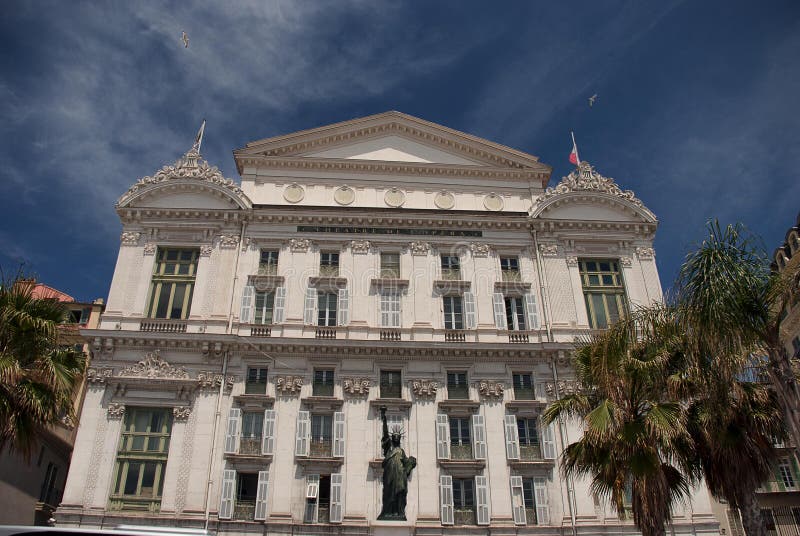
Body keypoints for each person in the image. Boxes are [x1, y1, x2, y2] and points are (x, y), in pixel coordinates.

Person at [377, 406, 416, 520]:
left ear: (399, 439)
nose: (395, 438)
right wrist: (384, 418)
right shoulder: (388, 449)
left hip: (399, 475)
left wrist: (411, 461)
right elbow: (385, 434)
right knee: (388, 494)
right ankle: (388, 512)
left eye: (397, 437)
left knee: (400, 494)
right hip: (389, 476)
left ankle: (399, 513)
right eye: (394, 436)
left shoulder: (401, 451)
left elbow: (407, 462)